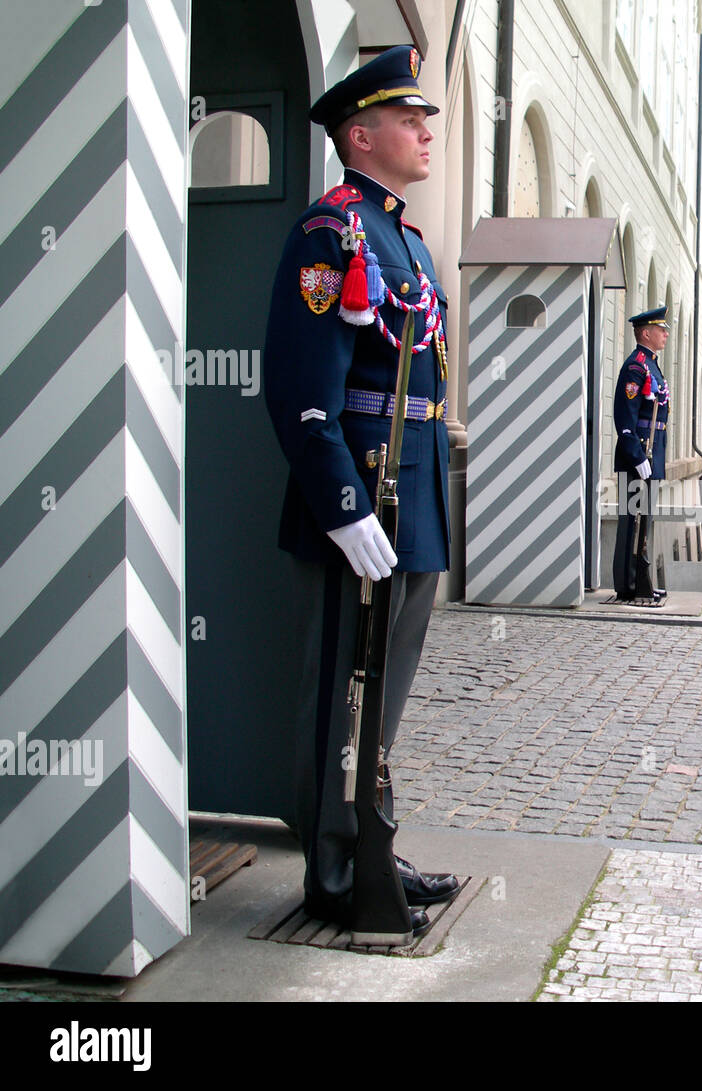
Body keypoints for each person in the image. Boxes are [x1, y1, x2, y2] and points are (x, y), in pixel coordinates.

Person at [262, 45, 459, 940]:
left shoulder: (406, 238)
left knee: (389, 686)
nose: (426, 131)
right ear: (360, 134)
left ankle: (371, 842)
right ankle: (331, 863)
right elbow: (303, 389)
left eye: (424, 119)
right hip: (360, 492)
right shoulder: (331, 232)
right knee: (336, 686)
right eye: (409, 119)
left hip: (411, 486)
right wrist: (340, 506)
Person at [612, 306, 671, 605]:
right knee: (631, 520)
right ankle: (628, 583)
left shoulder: (652, 364)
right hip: (638, 456)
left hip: (651, 453)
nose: (666, 333)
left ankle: (640, 580)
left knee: (644, 521)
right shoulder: (636, 367)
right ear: (646, 333)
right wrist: (637, 456)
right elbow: (625, 418)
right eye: (661, 329)